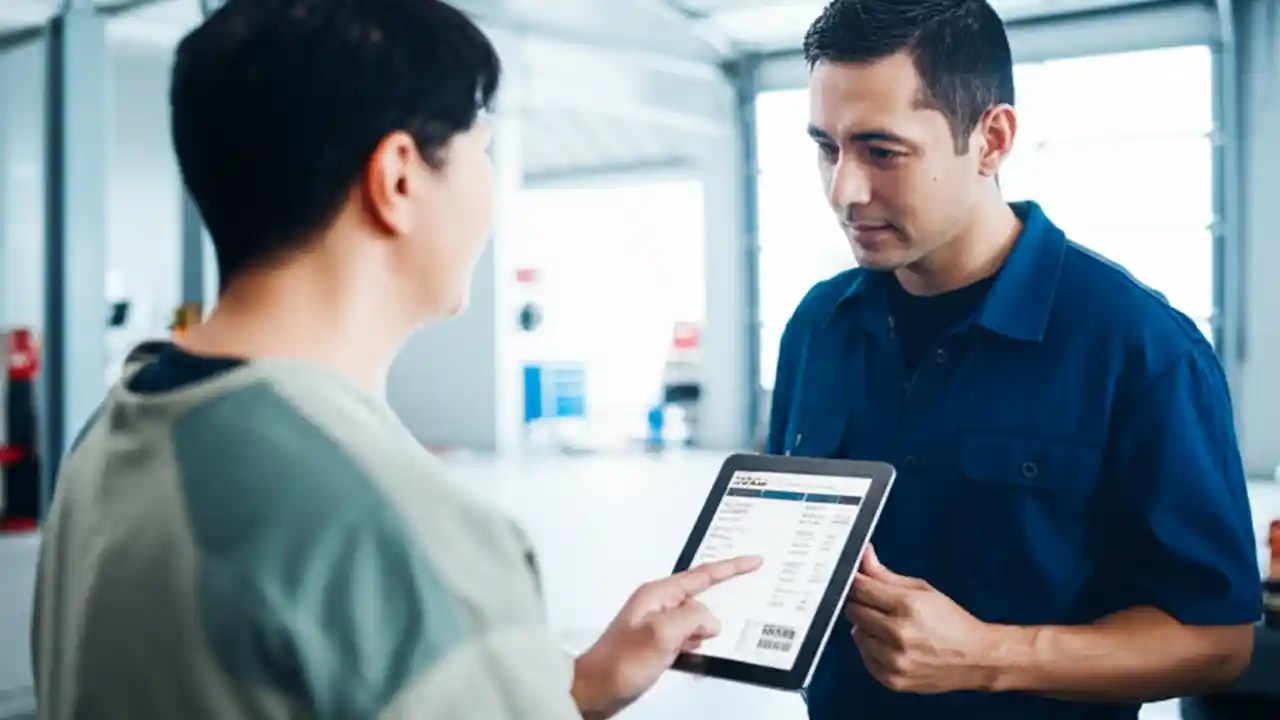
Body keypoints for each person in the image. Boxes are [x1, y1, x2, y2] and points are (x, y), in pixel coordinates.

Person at [30, 1, 760, 718]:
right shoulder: (400, 528)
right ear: (399, 179)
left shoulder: (116, 436)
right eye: (483, 153)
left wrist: (563, 686)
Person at [769, 1, 1263, 718]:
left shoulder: (1142, 349)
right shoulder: (818, 326)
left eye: (882, 150)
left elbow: (1217, 642)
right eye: (827, 147)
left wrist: (988, 655)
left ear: (991, 139)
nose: (844, 189)